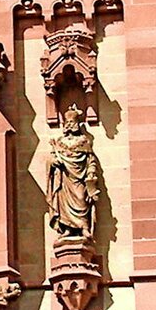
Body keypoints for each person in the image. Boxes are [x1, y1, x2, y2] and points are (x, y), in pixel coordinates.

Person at [47, 102, 102, 242]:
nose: (70, 124)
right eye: (68, 122)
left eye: (72, 121)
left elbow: (91, 160)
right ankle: (67, 228)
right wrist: (54, 163)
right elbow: (51, 159)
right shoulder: (59, 142)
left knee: (81, 199)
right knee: (63, 203)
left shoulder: (83, 141)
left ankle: (83, 227)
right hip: (64, 179)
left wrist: (90, 174)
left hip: (79, 178)